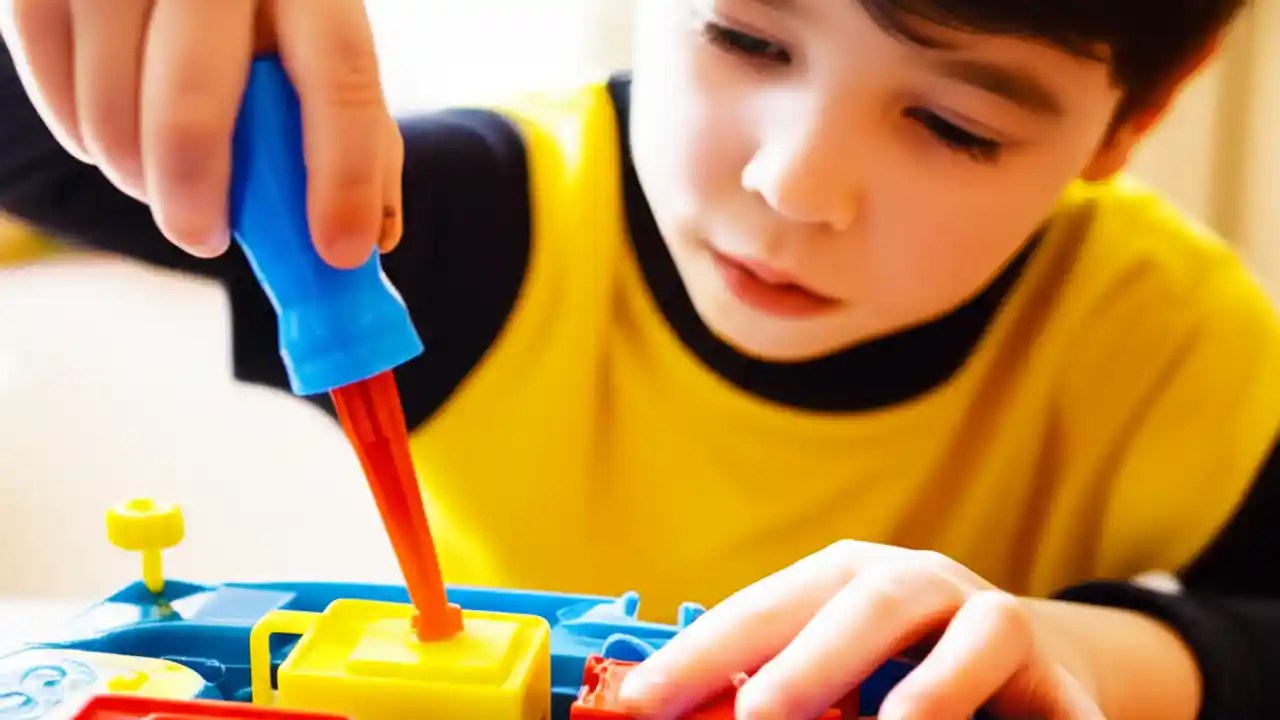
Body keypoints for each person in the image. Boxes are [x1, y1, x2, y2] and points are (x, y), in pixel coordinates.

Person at [1, 0, 1277, 717]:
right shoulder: (469, 221)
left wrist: (1077, 657)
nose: (793, 184)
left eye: (951, 123)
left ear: (1136, 121)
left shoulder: (1173, 340)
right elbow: (34, 143)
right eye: (746, 39)